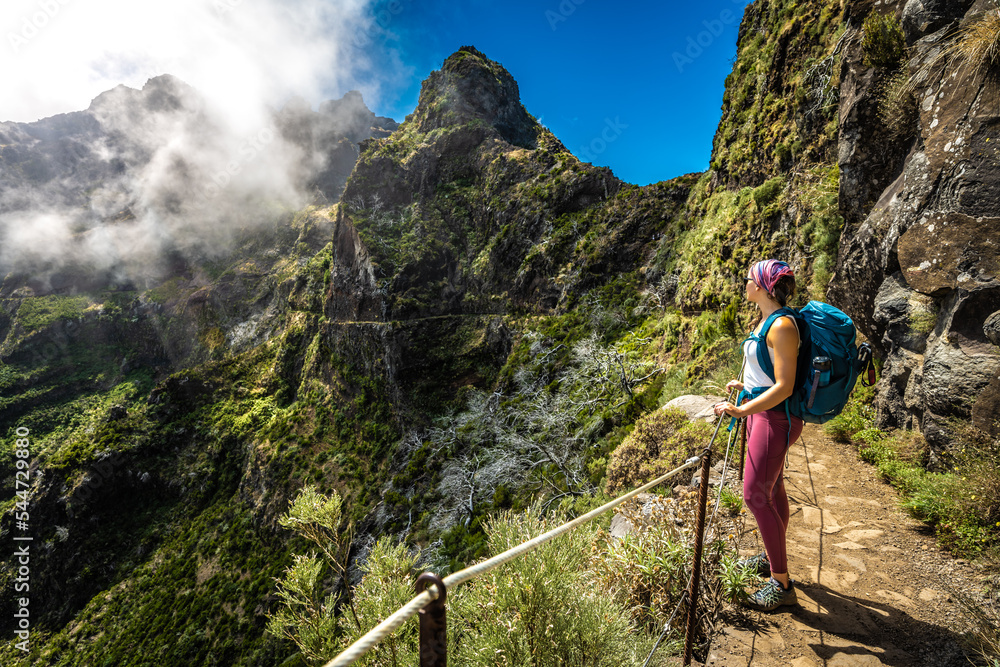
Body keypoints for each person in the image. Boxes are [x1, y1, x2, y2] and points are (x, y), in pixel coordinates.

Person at [713, 259, 803, 611]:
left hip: (773, 418)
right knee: (773, 487)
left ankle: (781, 586)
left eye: (749, 279)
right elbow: (767, 372)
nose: (744, 283)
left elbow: (784, 386)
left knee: (753, 494)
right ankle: (772, 558)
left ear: (765, 287)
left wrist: (741, 409)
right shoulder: (767, 320)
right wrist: (746, 386)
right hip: (762, 413)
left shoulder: (781, 325)